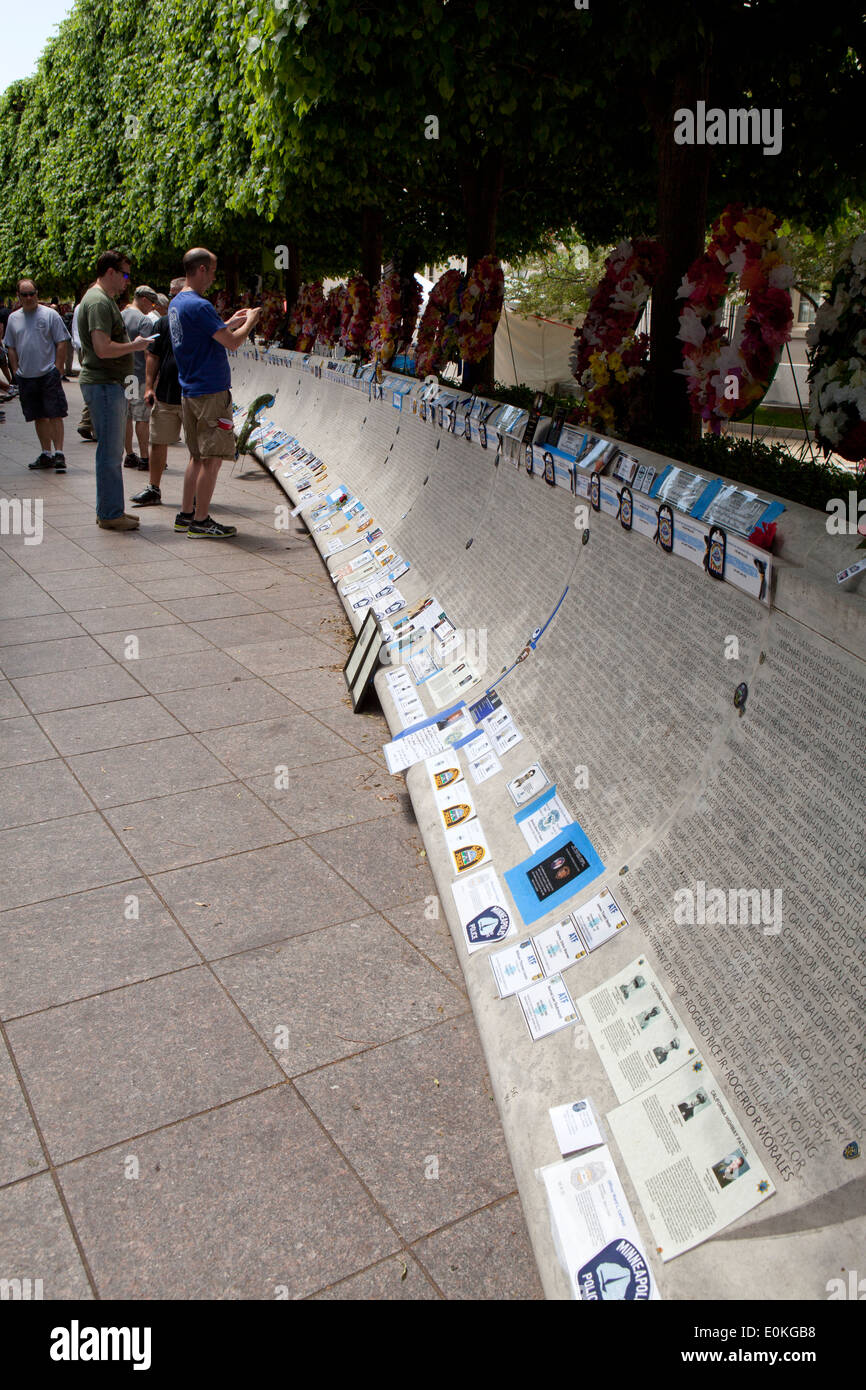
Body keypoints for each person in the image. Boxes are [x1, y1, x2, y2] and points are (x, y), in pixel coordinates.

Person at [169, 247, 260, 538]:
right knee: (213, 459)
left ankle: (185, 515)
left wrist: (228, 322)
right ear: (202, 269)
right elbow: (232, 343)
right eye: (213, 271)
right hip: (210, 392)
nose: (214, 278)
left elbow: (207, 334)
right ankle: (202, 520)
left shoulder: (177, 304)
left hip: (190, 390)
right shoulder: (199, 305)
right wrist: (249, 322)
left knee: (196, 456)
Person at [77, 249, 152, 530]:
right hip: (104, 384)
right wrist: (135, 345)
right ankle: (110, 514)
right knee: (110, 453)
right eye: (124, 274)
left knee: (110, 452)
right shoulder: (98, 302)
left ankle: (110, 509)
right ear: (110, 272)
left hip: (107, 384)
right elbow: (102, 348)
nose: (127, 281)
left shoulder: (101, 299)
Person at [4, 278, 71, 472]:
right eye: (24, 295)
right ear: (18, 296)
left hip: (48, 373)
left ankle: (59, 453)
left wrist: (58, 368)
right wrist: (16, 370)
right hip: (27, 376)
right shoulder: (13, 318)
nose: (29, 298)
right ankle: (46, 453)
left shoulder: (50, 315)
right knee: (38, 416)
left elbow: (61, 342)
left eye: (32, 293)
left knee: (55, 414)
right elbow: (11, 346)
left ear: (37, 293)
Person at [132, 277, 186, 507]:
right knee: (158, 441)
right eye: (172, 294)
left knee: (197, 446)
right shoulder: (162, 324)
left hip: (193, 394)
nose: (175, 298)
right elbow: (152, 356)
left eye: (179, 293)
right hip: (165, 393)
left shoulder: (199, 321)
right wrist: (149, 387)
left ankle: (195, 493)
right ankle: (153, 487)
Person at [122, 285, 159, 471]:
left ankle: (129, 454)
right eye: (152, 303)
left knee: (127, 416)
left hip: (124, 374)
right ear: (144, 299)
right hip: (139, 375)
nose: (152, 308)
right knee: (142, 418)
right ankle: (145, 457)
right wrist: (151, 381)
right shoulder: (144, 321)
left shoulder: (120, 316)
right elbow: (147, 352)